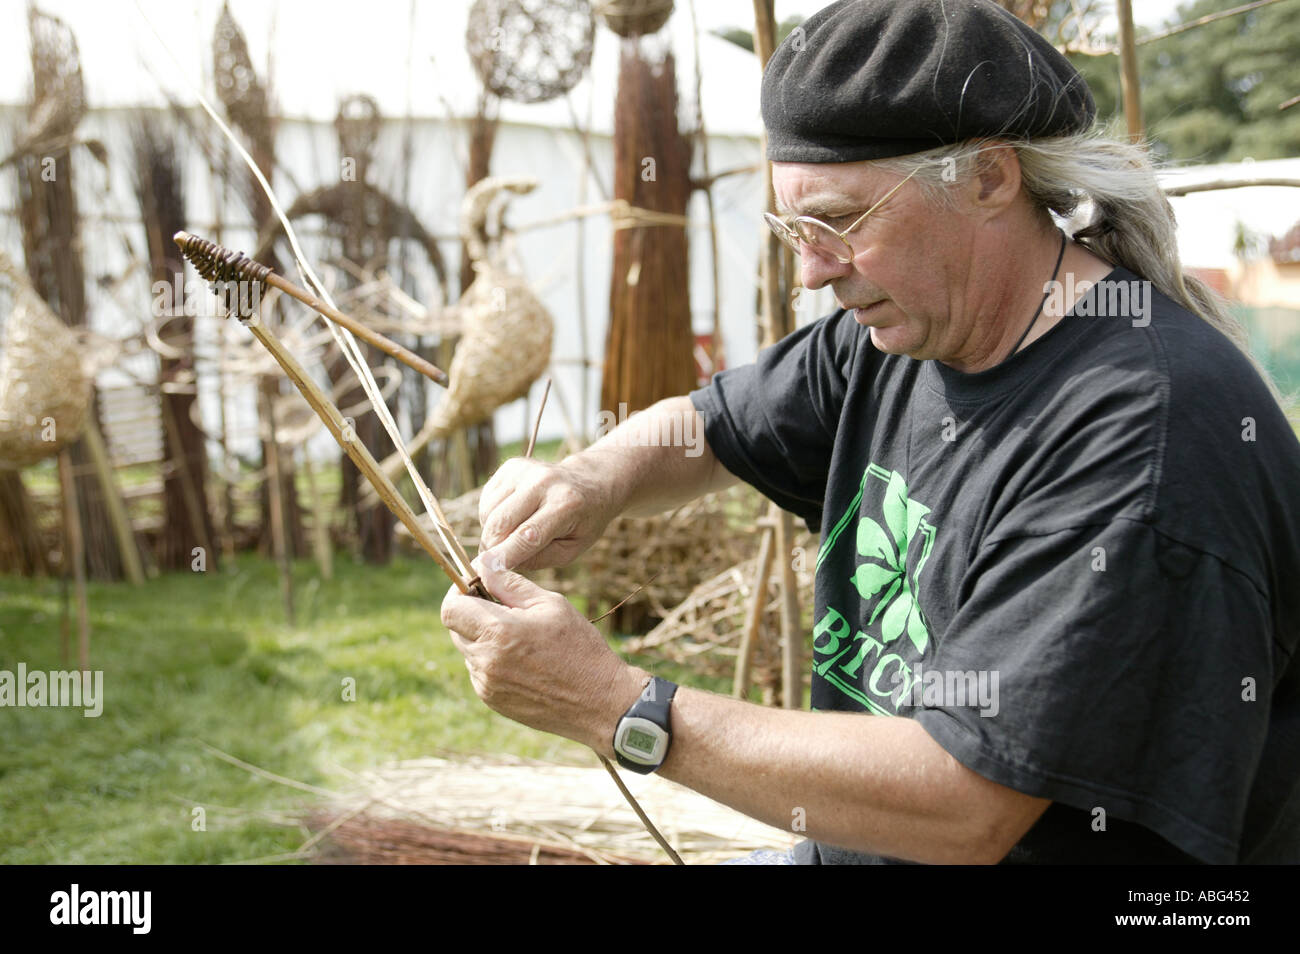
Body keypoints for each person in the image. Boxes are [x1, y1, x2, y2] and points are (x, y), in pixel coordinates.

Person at [440, 0, 1300, 864]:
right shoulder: (909, 330)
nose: (813, 271)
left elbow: (966, 803)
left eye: (842, 221)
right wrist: (591, 480)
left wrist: (617, 704)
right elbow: (708, 426)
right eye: (794, 227)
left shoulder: (1143, 431)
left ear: (989, 177)